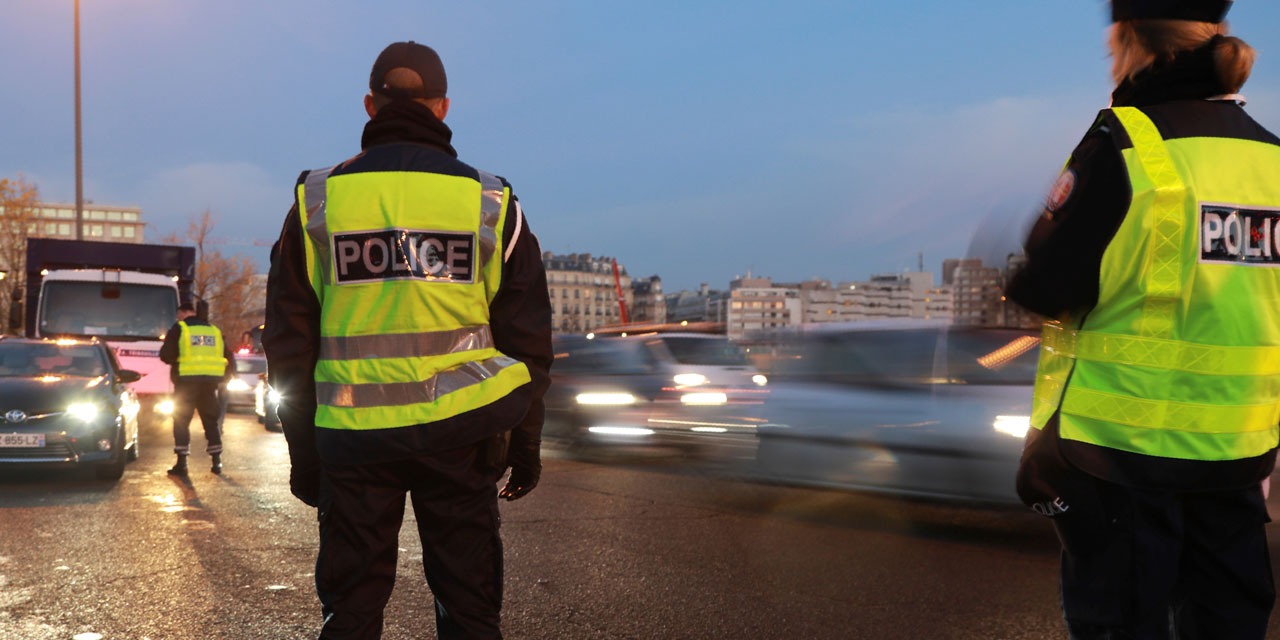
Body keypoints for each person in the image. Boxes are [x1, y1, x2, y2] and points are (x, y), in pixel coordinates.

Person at [1007, 1, 1280, 637]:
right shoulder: (1271, 158)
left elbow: (1048, 287)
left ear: (1127, 40)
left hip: (1121, 460)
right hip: (1237, 455)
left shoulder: (1125, 145)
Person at [263, 40, 553, 640]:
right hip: (463, 435)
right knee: (470, 611)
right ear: (442, 107)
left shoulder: (317, 200)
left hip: (352, 440)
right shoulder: (490, 201)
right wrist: (524, 441)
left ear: (371, 105)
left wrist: (305, 450)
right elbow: (527, 340)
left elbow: (288, 340)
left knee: (352, 611)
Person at [159, 302, 234, 476]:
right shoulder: (214, 330)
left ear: (185, 313)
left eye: (179, 314)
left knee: (181, 420)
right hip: (209, 384)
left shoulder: (180, 329)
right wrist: (224, 378)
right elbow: (228, 356)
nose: (177, 317)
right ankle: (217, 462)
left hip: (186, 382)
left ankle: (182, 463)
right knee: (210, 421)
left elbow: (166, 355)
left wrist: (180, 359)